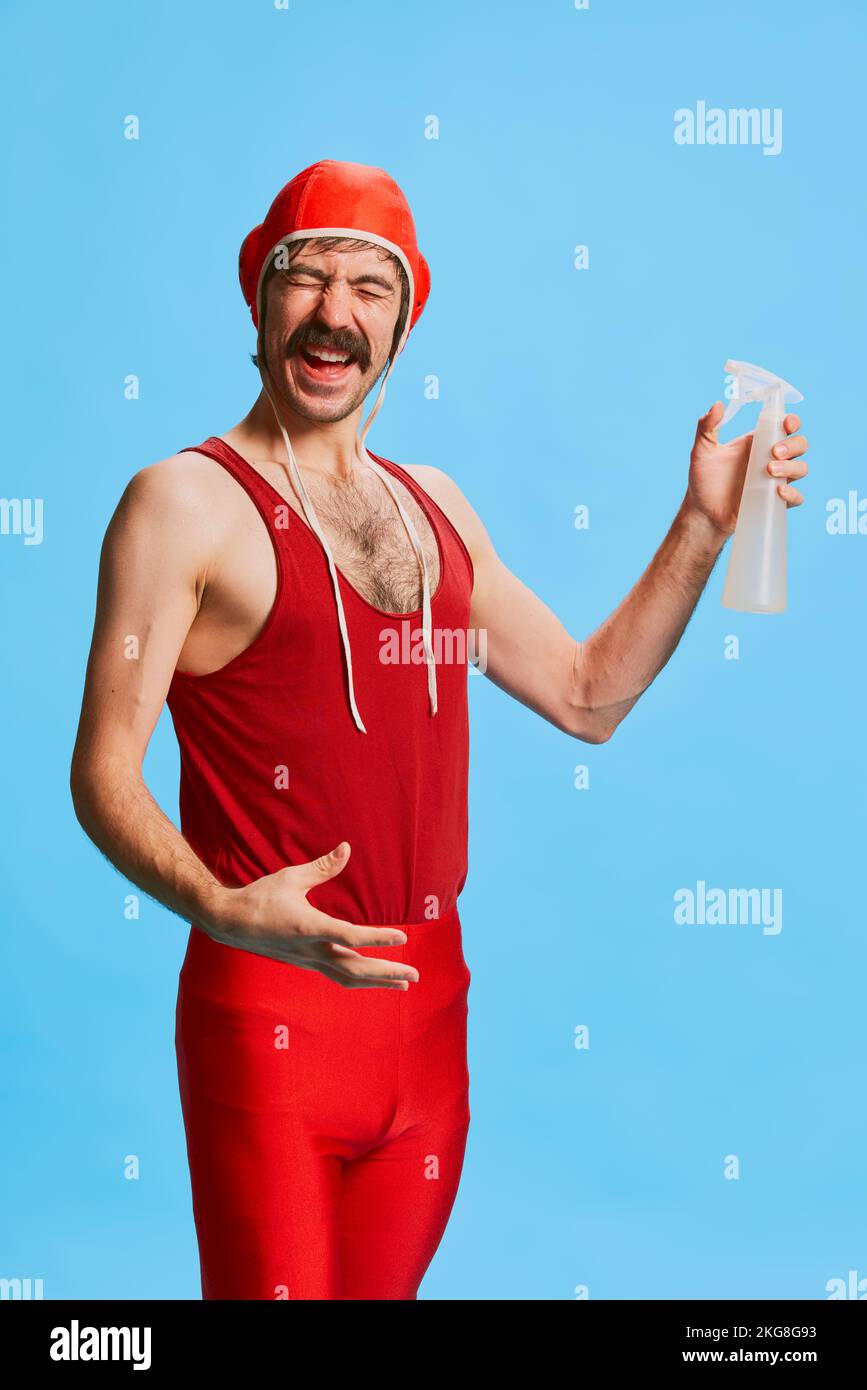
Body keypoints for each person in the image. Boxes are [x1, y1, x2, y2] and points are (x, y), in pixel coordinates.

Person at [69, 159, 809, 1300]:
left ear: (406, 320)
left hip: (430, 1027)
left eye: (370, 287)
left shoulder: (438, 507)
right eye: (304, 278)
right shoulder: (183, 502)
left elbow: (585, 695)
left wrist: (705, 524)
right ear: (258, 305)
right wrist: (219, 906)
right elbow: (104, 773)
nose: (334, 313)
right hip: (270, 1008)